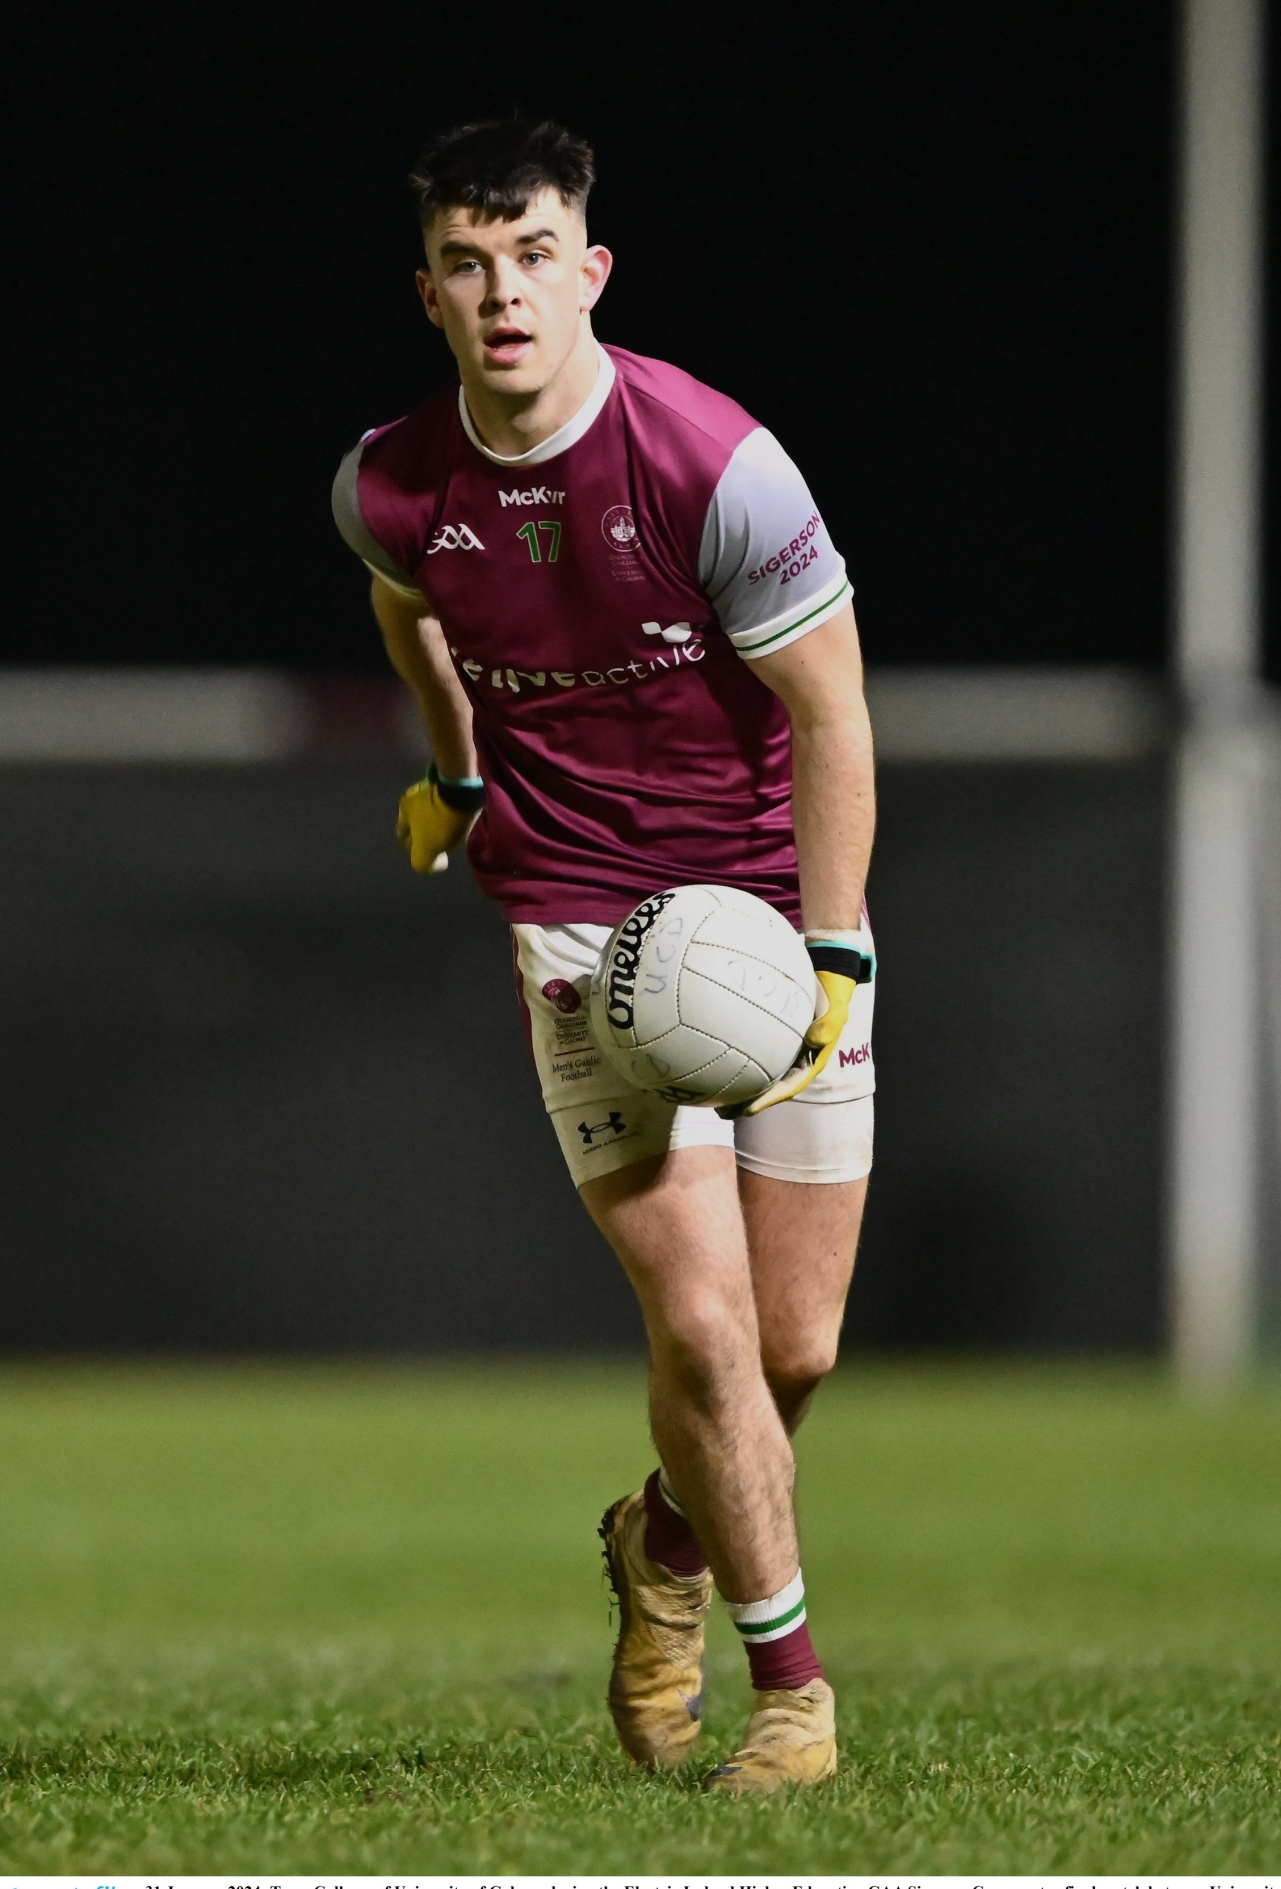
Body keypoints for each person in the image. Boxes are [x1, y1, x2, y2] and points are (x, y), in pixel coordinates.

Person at [332, 119, 875, 1796]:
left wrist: (835, 951)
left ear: (590, 271)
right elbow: (400, 590)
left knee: (792, 1352)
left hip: (770, 924)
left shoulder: (716, 465)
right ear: (429, 290)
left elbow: (832, 714)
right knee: (701, 1330)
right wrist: (455, 768)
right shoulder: (390, 481)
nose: (506, 294)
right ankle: (791, 1696)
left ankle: (665, 1541)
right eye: (470, 266)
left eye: (535, 257)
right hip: (573, 920)